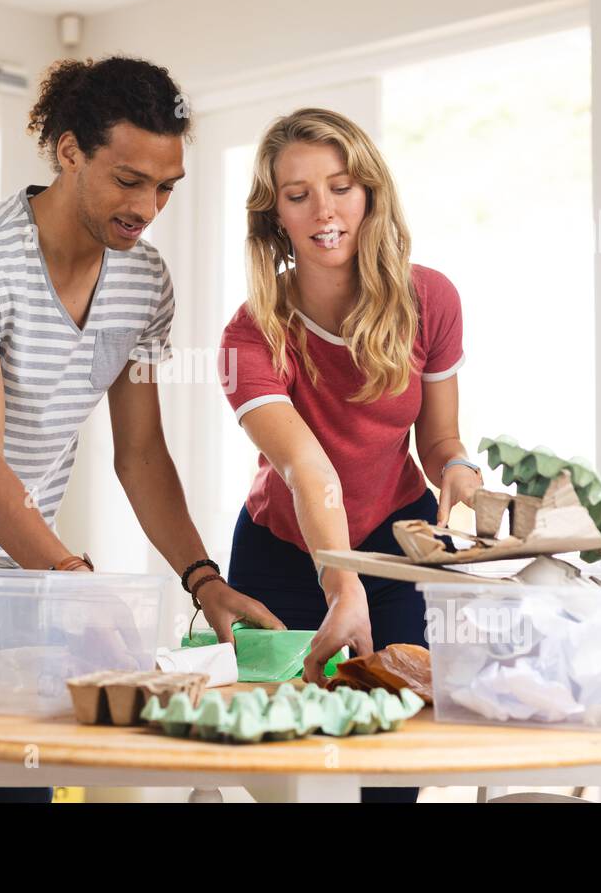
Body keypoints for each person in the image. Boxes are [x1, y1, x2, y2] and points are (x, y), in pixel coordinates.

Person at [0, 55, 281, 802]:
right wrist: (76, 584)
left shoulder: (144, 284)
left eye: (166, 187)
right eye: (128, 180)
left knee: (22, 782)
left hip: (20, 575)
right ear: (71, 151)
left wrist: (203, 579)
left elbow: (141, 453)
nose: (147, 207)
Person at [218, 107, 482, 803]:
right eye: (298, 195)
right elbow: (310, 469)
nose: (324, 210)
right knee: (283, 769)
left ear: (370, 191)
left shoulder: (431, 300)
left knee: (391, 773)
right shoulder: (249, 336)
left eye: (340, 186)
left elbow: (439, 440)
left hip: (396, 552)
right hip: (281, 557)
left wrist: (460, 470)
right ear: (275, 215)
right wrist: (340, 581)